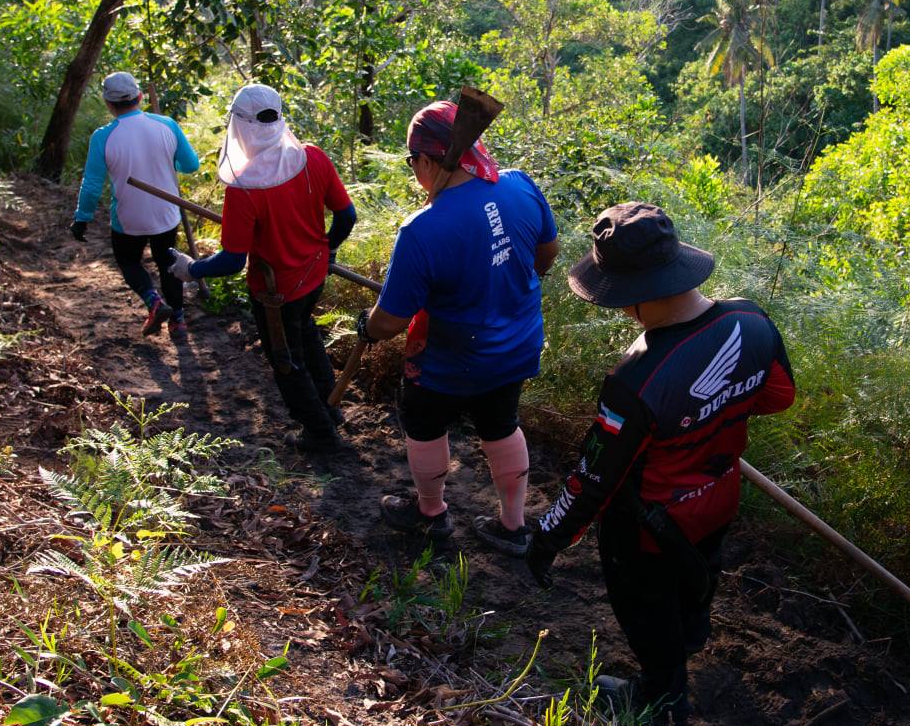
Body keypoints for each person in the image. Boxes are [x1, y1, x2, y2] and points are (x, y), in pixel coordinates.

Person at [526, 202, 795, 726]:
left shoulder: (636, 381)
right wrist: (713, 415)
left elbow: (593, 479)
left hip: (648, 526)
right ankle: (692, 634)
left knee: (646, 609)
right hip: (718, 493)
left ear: (634, 296)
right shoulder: (752, 319)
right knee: (700, 572)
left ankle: (664, 699)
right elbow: (778, 396)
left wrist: (549, 538)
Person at [354, 99, 559, 555]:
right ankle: (512, 525)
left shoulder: (422, 230)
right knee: (501, 423)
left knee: (424, 423)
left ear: (427, 160)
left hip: (451, 357)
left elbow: (390, 322)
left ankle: (430, 514)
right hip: (515, 345)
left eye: (413, 162)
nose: (414, 171)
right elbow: (545, 255)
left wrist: (366, 328)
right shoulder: (520, 186)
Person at [171, 84, 357, 455]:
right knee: (306, 334)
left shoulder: (244, 187)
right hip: (314, 275)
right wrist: (328, 248)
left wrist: (191, 269)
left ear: (240, 125)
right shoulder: (313, 158)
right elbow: (346, 215)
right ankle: (331, 409)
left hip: (277, 292)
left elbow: (232, 259)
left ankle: (320, 433)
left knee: (286, 360)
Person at [70, 71, 202, 337]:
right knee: (169, 263)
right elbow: (191, 165)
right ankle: (178, 319)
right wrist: (167, 162)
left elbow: (93, 183)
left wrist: (82, 217)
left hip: (129, 217)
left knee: (128, 261)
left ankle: (153, 301)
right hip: (165, 212)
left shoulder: (103, 136)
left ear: (108, 104)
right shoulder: (167, 125)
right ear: (139, 97)